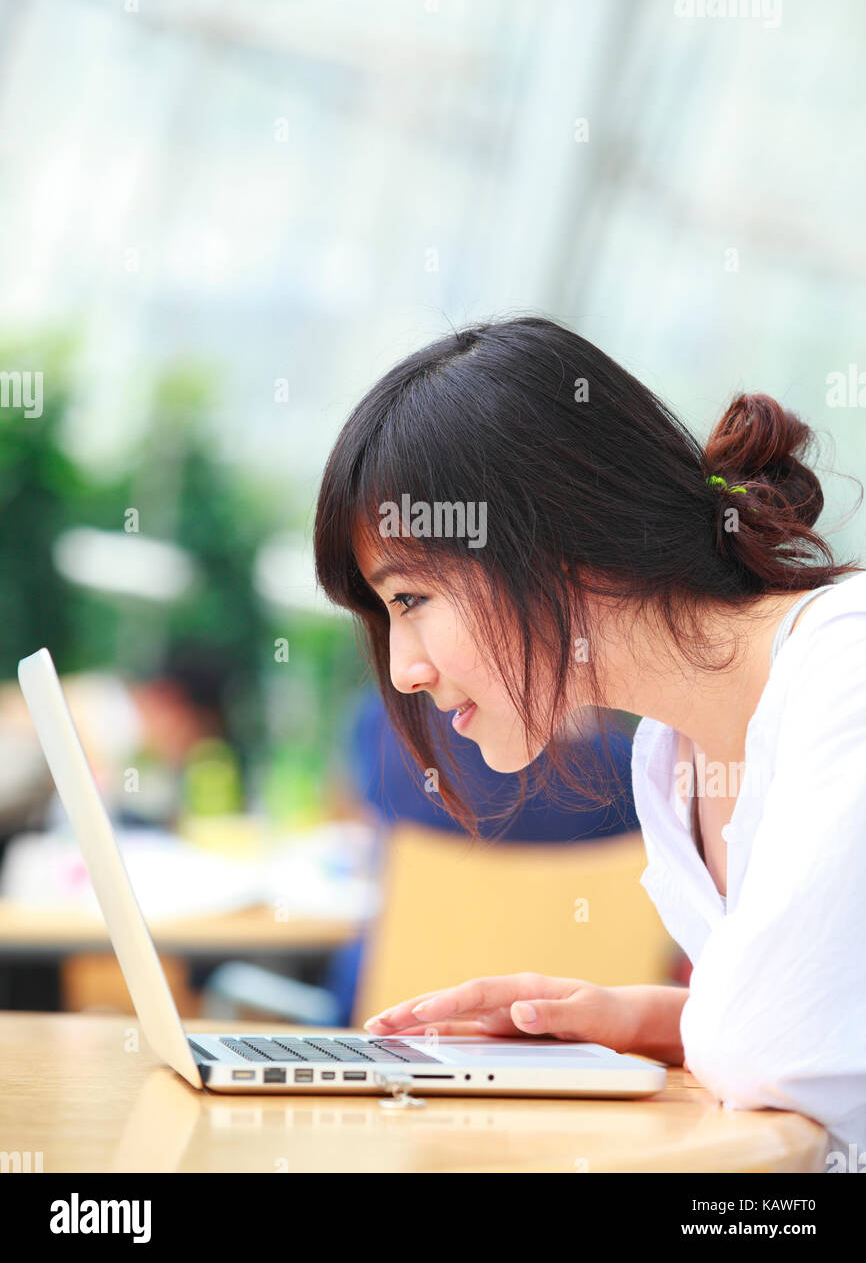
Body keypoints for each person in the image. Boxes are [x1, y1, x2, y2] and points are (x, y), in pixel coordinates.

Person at [313, 313, 866, 1166]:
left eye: (411, 600)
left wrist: (690, 1019)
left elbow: (781, 1059)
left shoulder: (846, 668)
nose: (404, 671)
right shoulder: (667, 760)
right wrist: (643, 1020)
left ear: (552, 537)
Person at [322, 685, 645, 1022]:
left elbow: (360, 814)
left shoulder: (392, 725)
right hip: (577, 1042)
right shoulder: (631, 766)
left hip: (393, 1032)